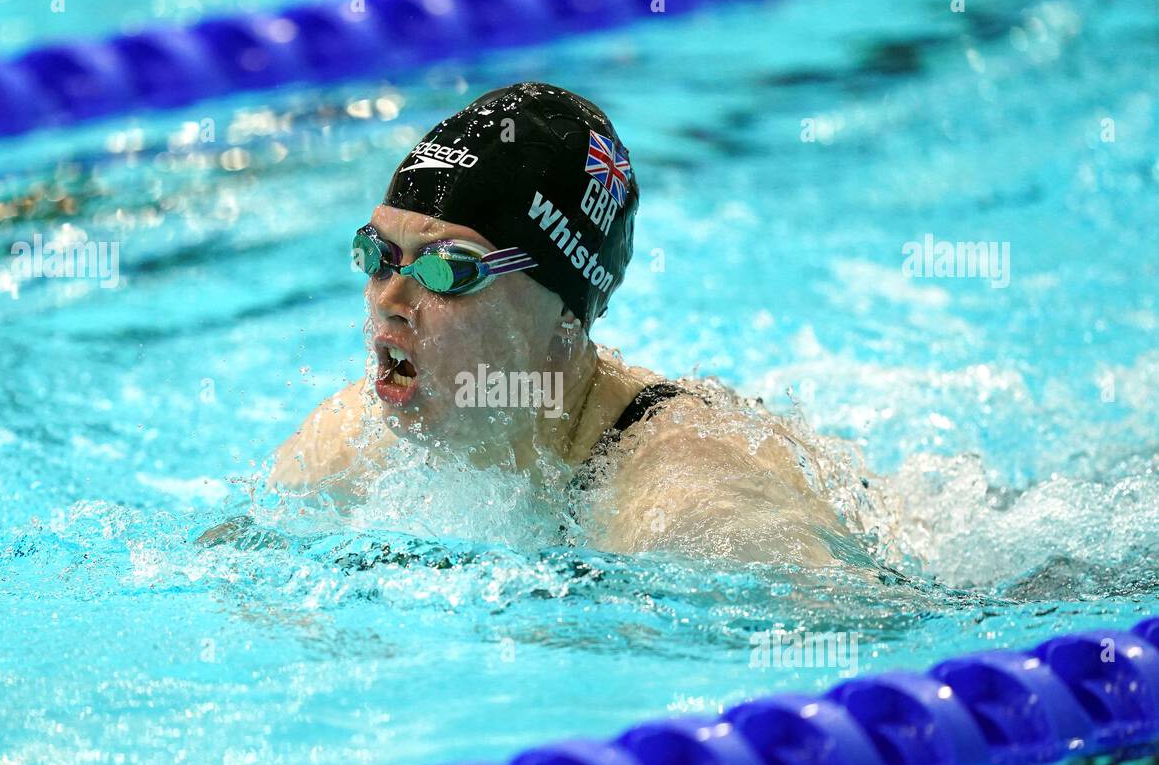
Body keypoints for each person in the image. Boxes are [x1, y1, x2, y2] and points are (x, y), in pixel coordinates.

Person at [268, 82, 875, 568]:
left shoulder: (688, 503)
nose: (391, 299)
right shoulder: (349, 442)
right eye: (379, 254)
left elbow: (871, 633)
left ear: (564, 317)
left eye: (450, 271)